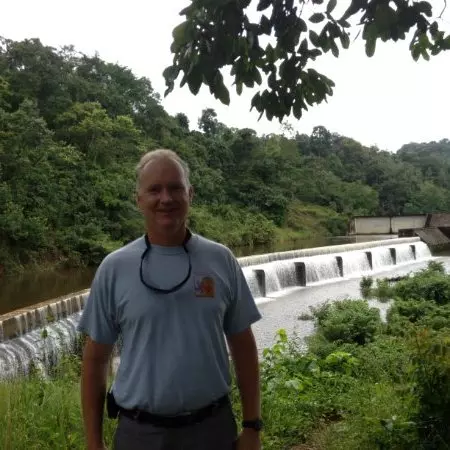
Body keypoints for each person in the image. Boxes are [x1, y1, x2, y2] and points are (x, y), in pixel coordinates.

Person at [78, 149, 263, 450]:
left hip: (212, 430)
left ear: (190, 194)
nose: (166, 198)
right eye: (154, 189)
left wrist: (253, 426)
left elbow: (243, 346)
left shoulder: (221, 260)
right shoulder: (114, 268)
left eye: (175, 188)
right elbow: (95, 360)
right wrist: (93, 443)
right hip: (139, 434)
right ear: (139, 200)